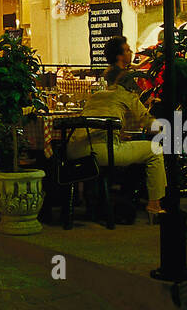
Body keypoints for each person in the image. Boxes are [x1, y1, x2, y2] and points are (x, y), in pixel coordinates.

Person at [66, 39, 167, 215]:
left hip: (75, 150)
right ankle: (154, 205)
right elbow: (149, 123)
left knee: (130, 148)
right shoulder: (126, 93)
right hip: (102, 150)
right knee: (155, 150)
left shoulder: (96, 95)